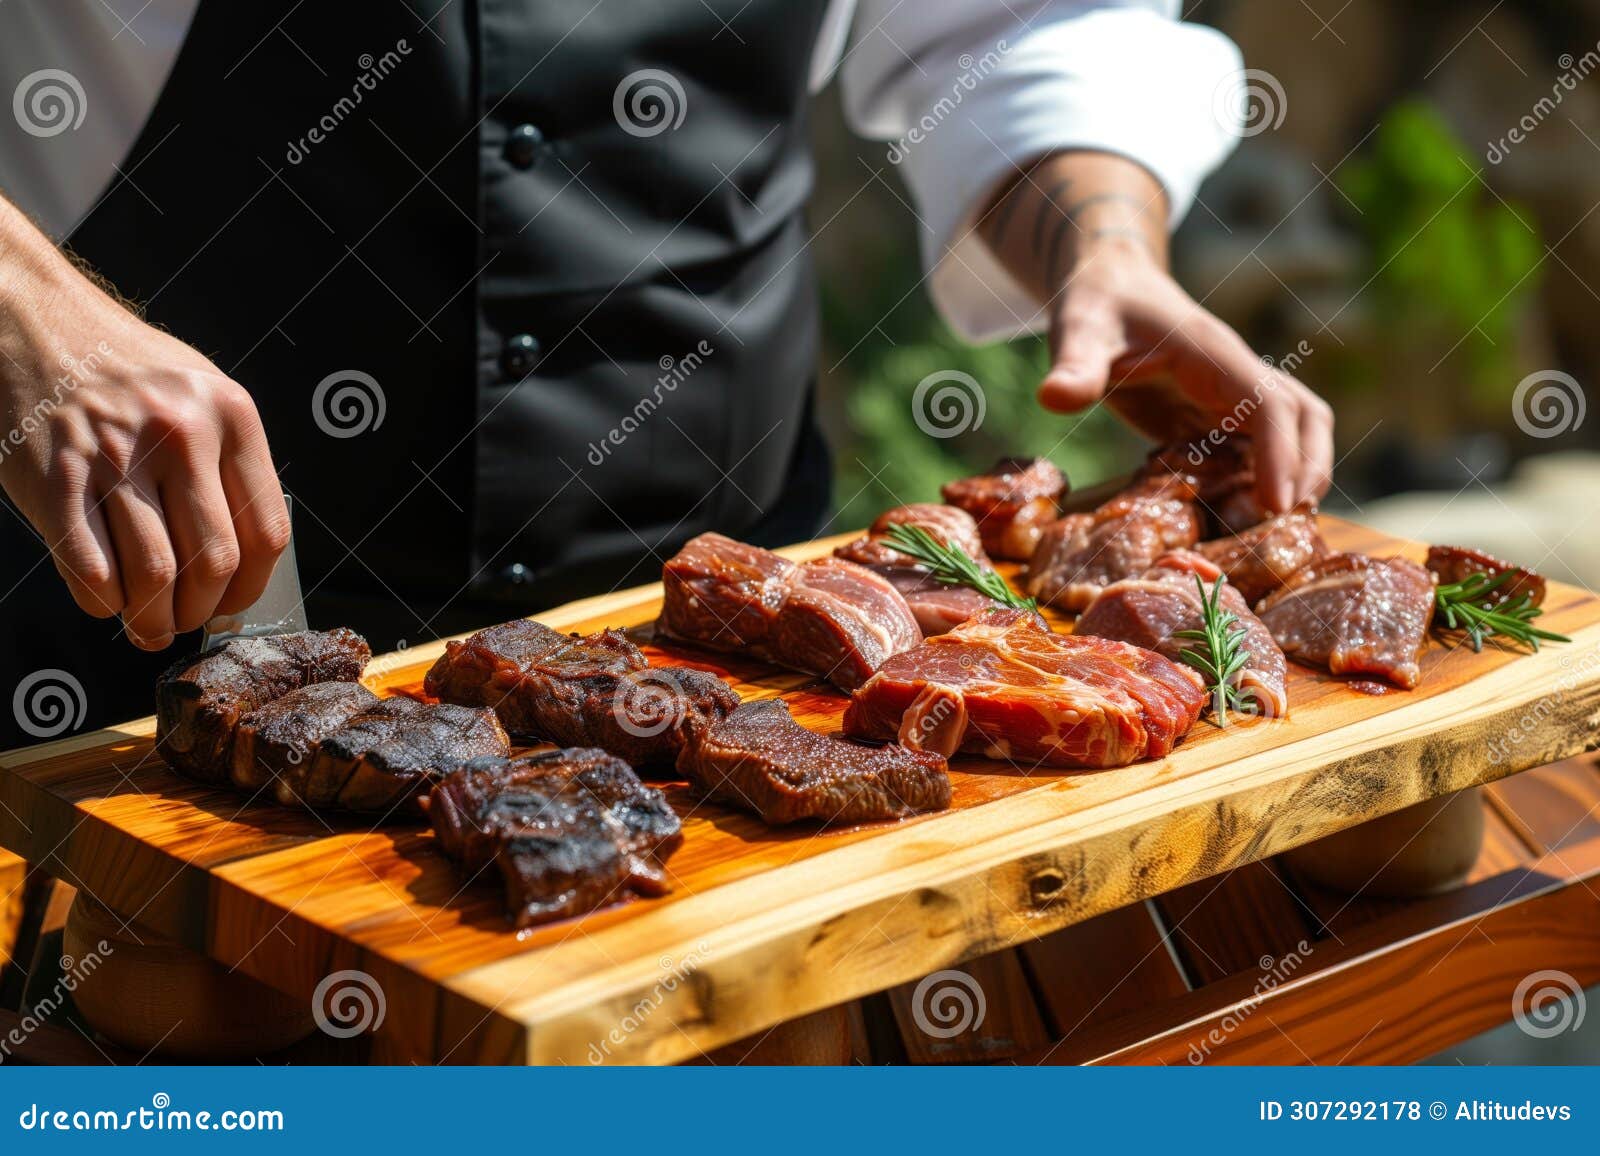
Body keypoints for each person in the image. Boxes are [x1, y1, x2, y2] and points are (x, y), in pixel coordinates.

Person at [0, 1, 1332, 748]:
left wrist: (1101, 245)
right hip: (111, 642)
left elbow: (1007, 29)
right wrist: (27, 310)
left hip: (742, 666)